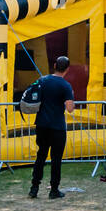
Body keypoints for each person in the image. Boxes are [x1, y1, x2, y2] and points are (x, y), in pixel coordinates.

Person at [29, 55, 76, 199]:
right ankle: (54, 190)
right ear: (67, 69)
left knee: (41, 156)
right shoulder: (65, 86)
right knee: (56, 159)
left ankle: (34, 188)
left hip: (42, 124)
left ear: (54, 65)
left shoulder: (42, 80)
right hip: (57, 127)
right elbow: (69, 109)